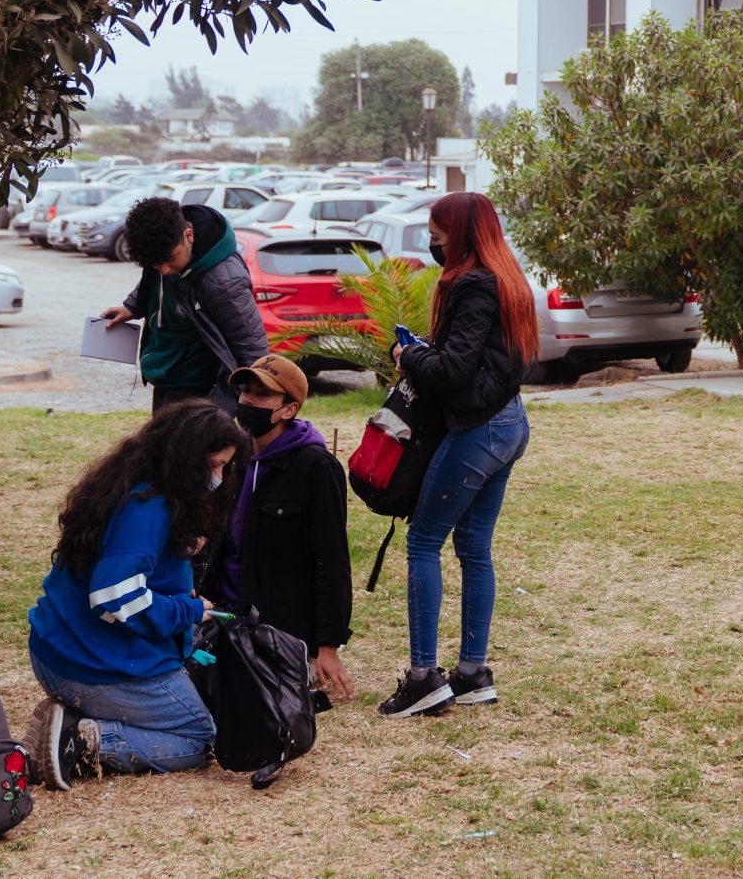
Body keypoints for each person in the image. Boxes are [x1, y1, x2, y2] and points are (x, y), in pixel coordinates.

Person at [24, 402, 250, 789]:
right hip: (90, 662)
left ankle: (72, 719)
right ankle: (80, 740)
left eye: (225, 467)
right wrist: (187, 610)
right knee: (199, 736)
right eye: (214, 465)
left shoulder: (132, 485)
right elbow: (115, 597)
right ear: (185, 460)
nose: (219, 477)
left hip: (62, 647)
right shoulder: (150, 508)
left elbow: (122, 567)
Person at [380, 191, 537, 719]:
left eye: (437, 228)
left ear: (461, 231)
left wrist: (410, 355)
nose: (432, 238)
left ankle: (424, 677)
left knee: (424, 541)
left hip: (480, 429)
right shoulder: (506, 277)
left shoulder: (472, 284)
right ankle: (472, 673)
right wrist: (430, 348)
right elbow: (484, 358)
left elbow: (452, 371)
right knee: (475, 548)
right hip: (509, 422)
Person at [202, 355, 355, 703]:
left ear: (289, 409)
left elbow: (331, 560)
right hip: (221, 615)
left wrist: (327, 646)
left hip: (279, 630)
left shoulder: (316, 467)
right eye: (245, 391)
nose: (247, 400)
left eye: (261, 394)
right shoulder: (233, 457)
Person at [101, 196, 268, 413]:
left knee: (183, 446)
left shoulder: (223, 280)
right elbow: (152, 284)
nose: (164, 271)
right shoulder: (163, 252)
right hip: (166, 376)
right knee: (161, 444)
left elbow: (251, 346)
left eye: (169, 261)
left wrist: (254, 401)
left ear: (189, 235)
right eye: (154, 265)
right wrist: (132, 307)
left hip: (200, 390)